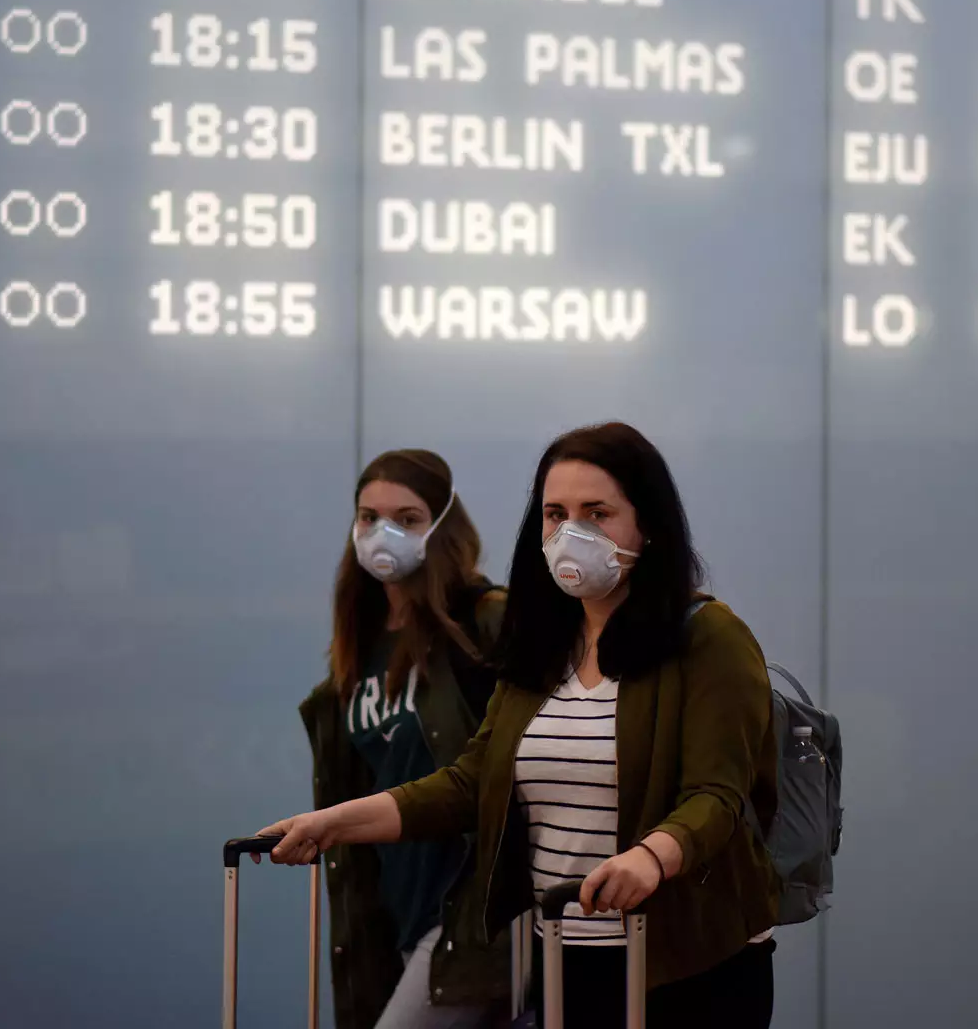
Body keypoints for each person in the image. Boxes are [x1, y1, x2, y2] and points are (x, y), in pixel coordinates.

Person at [261, 423, 779, 1029]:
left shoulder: (707, 636)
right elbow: (471, 780)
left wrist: (649, 858)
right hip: (569, 951)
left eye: (597, 512)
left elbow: (717, 795)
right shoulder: (541, 644)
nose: (571, 532)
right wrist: (334, 822)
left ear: (649, 525)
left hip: (690, 961)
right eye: (555, 514)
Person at [295, 449, 510, 1029]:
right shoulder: (357, 648)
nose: (381, 532)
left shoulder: (483, 621)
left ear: (442, 527)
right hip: (395, 909)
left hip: (470, 910)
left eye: (407, 518)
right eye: (368, 516)